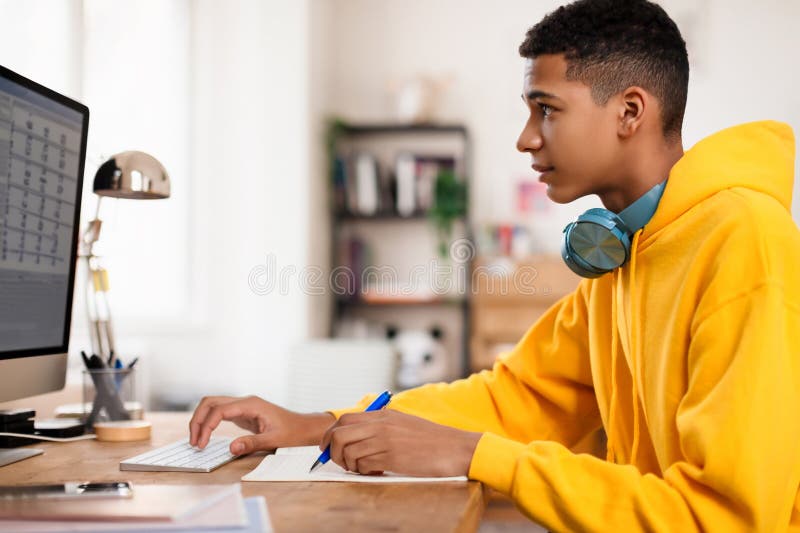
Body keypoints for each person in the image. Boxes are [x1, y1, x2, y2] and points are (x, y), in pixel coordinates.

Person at [189, 0, 800, 529]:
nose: (526, 137)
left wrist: (471, 455)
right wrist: (316, 425)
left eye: (547, 109)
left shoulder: (743, 242)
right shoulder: (625, 249)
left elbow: (728, 519)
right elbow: (515, 397)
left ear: (630, 112)